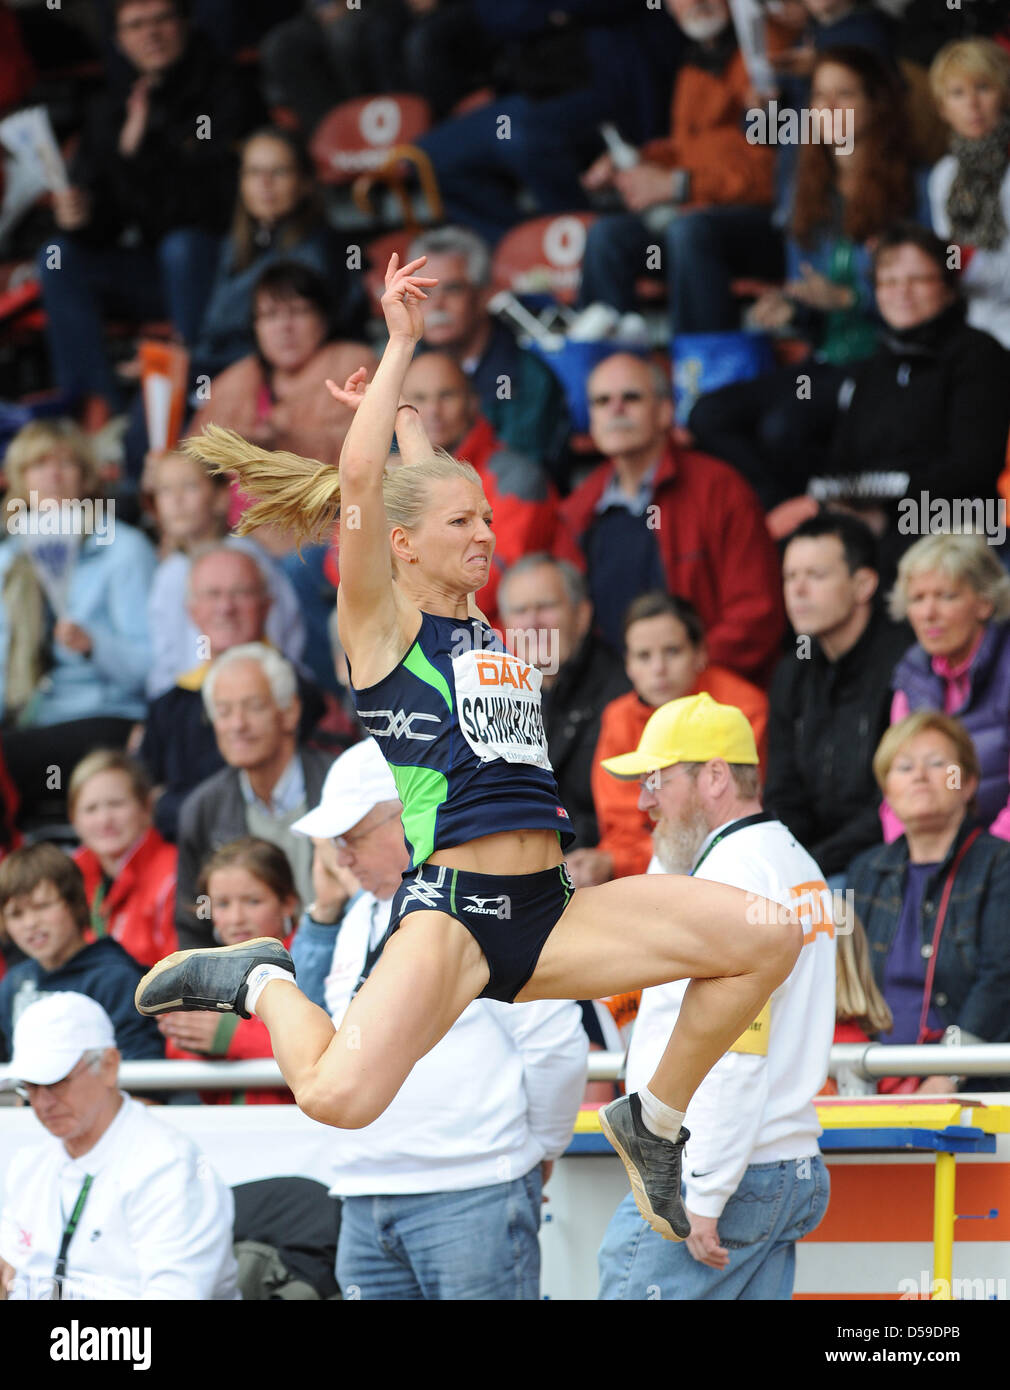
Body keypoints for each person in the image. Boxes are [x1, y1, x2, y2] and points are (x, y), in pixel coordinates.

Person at [135, 253, 802, 1248]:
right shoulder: (377, 629)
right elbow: (365, 483)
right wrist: (400, 344)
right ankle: (262, 977)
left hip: (546, 913)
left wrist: (405, 420)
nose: (486, 532)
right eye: (464, 523)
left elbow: (412, 469)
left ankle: (649, 1120)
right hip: (451, 913)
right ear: (400, 546)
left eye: (488, 517)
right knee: (336, 1097)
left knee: (769, 935)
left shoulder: (478, 623)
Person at [288, 736, 587, 1300]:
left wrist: (540, 1151)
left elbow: (555, 1045)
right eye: (334, 843)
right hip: (370, 1190)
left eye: (350, 837)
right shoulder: (360, 917)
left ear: (411, 816)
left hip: (468, 1190)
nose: (341, 857)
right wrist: (540, 1152)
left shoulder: (488, 903)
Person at [596, 693, 834, 1300]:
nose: (644, 800)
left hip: (717, 1173)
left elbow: (733, 1051)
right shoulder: (787, 858)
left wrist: (702, 1191)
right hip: (781, 1164)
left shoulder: (732, 875)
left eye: (658, 780)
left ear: (716, 776)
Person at [687, 46, 925, 509]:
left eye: (845, 95)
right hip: (825, 359)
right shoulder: (809, 188)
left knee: (783, 428)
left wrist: (850, 300)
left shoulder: (914, 188)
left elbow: (933, 295)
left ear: (877, 104)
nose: (829, 109)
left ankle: (812, 519)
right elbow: (808, 299)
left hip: (885, 359)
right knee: (707, 415)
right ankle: (784, 513)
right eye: (820, 96)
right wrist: (791, 309)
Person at [35, 0, 255, 416]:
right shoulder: (110, 108)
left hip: (224, 268)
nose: (150, 33)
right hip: (156, 274)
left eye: (160, 20)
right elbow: (107, 222)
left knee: (183, 245)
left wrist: (139, 153)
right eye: (136, 25)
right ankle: (94, 410)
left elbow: (210, 205)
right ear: (119, 41)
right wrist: (79, 217)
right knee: (59, 259)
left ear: (184, 24)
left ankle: (195, 399)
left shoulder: (226, 85)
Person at [770, 224, 1010, 546]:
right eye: (889, 282)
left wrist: (889, 512)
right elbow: (844, 459)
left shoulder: (981, 355)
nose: (902, 293)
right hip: (876, 516)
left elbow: (972, 469)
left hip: (959, 520)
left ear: (948, 286)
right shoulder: (877, 361)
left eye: (917, 280)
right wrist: (832, 503)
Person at [559, 351, 784, 680]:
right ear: (590, 420)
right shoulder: (576, 511)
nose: (616, 409)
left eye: (631, 398)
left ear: (665, 412)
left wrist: (675, 677)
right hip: (614, 707)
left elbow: (757, 615)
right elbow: (564, 626)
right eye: (602, 401)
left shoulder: (720, 490)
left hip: (705, 698)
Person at [0, 992, 239, 1300]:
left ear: (110, 1065)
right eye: (30, 1085)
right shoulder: (30, 1165)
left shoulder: (170, 1165)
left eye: (57, 1081)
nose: (43, 1101)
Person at [577, 0, 784, 335]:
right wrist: (633, 161)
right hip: (697, 224)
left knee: (689, 231)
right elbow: (684, 149)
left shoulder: (767, 50)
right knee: (607, 236)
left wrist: (679, 185)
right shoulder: (693, 64)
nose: (697, 3)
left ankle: (699, 365)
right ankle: (610, 368)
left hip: (764, 228)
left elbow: (778, 176)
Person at [0, 421, 157, 826]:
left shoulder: (124, 550)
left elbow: (151, 669)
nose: (52, 475)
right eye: (38, 465)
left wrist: (95, 646)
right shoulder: (7, 561)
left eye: (66, 463)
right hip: (30, 721)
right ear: (18, 481)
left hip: (107, 716)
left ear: (87, 477)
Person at [847, 711, 1010, 1092]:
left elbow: (1001, 979)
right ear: (887, 790)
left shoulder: (1000, 864)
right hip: (870, 1079)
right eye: (903, 767)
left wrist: (946, 1074)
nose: (919, 774)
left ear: (968, 783)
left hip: (971, 1085)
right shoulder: (865, 872)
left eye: (937, 764)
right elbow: (843, 986)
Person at [138, 547, 326, 842]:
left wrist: (174, 804)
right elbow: (146, 805)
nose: (225, 607)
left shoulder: (299, 694)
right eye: (212, 594)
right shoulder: (167, 706)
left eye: (240, 593)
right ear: (192, 610)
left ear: (267, 605)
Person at [765, 513, 911, 881]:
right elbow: (782, 792)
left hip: (887, 863)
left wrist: (813, 865)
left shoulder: (906, 666)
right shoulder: (792, 671)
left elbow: (897, 805)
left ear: (863, 584)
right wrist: (793, 862)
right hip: (814, 866)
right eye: (789, 577)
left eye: (815, 576)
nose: (797, 590)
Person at [589, 592, 769, 886]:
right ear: (628, 666)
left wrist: (619, 862)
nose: (658, 668)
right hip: (647, 867)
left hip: (728, 862)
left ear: (700, 654)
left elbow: (730, 815)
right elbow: (622, 828)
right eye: (644, 656)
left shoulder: (742, 708)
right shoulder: (618, 718)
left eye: (672, 651)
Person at [173, 642, 333, 949]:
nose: (237, 724)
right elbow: (194, 925)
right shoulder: (202, 809)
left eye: (254, 706)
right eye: (224, 711)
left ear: (290, 712)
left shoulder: (337, 785)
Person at [388, 351, 562, 626]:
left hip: (494, 639)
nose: (433, 410)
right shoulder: (392, 475)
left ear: (472, 402)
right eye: (419, 399)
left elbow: (485, 586)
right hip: (418, 623)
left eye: (446, 396)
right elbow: (344, 567)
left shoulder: (515, 478)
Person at [189, 261, 376, 503]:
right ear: (255, 326)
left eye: (298, 311)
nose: (284, 327)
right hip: (231, 526)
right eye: (269, 315)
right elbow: (194, 453)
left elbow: (364, 453)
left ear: (324, 318)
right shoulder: (234, 380)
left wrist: (280, 443)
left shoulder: (355, 365)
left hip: (324, 521)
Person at [191, 127, 366, 380]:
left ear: (305, 182)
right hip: (223, 365)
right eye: (254, 172)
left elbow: (285, 341)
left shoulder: (318, 250)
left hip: (280, 371)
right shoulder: (236, 244)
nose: (265, 184)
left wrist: (193, 360)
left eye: (279, 172)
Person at [497, 554, 630, 877]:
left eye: (545, 606)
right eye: (519, 611)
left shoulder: (625, 690)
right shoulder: (494, 697)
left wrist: (608, 859)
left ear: (582, 616)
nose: (532, 622)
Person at [406, 225, 571, 473]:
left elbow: (517, 476)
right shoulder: (402, 370)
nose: (437, 304)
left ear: (484, 295)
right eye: (425, 291)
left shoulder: (528, 377)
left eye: (452, 289)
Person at [144, 451, 307, 699]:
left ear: (220, 497)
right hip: (186, 703)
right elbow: (165, 660)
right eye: (165, 490)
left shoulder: (247, 560)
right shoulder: (169, 573)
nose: (176, 500)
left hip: (255, 694)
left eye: (189, 487)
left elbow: (281, 640)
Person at [884, 533, 1010, 842]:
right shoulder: (910, 678)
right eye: (917, 599)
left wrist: (986, 861)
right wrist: (907, 856)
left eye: (946, 596)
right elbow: (896, 789)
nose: (928, 614)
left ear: (984, 602)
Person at [158, 838, 299, 1105]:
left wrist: (230, 1037)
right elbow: (177, 1047)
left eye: (253, 901)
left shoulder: (314, 960)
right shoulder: (202, 975)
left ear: (287, 903)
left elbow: (326, 1045)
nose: (236, 918)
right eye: (222, 904)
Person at [0, 843, 163, 1063]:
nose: (30, 923)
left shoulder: (116, 979)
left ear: (75, 903)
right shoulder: (14, 983)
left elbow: (145, 1083)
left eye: (42, 906)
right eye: (16, 914)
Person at [928, 39, 1010, 348]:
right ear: (943, 108)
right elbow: (949, 259)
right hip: (972, 331)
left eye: (983, 88)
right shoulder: (944, 174)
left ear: (1004, 93)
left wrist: (963, 261)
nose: (972, 104)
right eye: (957, 93)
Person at [69, 749, 178, 969]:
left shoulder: (174, 873)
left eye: (116, 804)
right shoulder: (69, 877)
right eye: (91, 809)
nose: (105, 819)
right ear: (74, 820)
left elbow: (181, 976)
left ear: (146, 808)